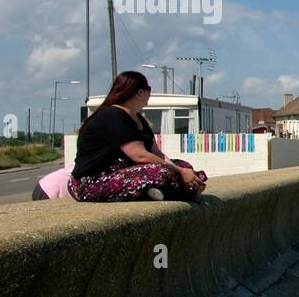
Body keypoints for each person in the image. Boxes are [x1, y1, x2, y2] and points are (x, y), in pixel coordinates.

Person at [68, 71, 207, 203]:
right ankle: (178, 191)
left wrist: (182, 170)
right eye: (149, 89)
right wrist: (180, 172)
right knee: (162, 173)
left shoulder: (138, 118)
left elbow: (156, 153)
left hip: (126, 173)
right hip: (92, 181)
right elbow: (139, 156)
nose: (150, 94)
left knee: (184, 166)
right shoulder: (113, 115)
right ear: (139, 92)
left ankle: (173, 190)